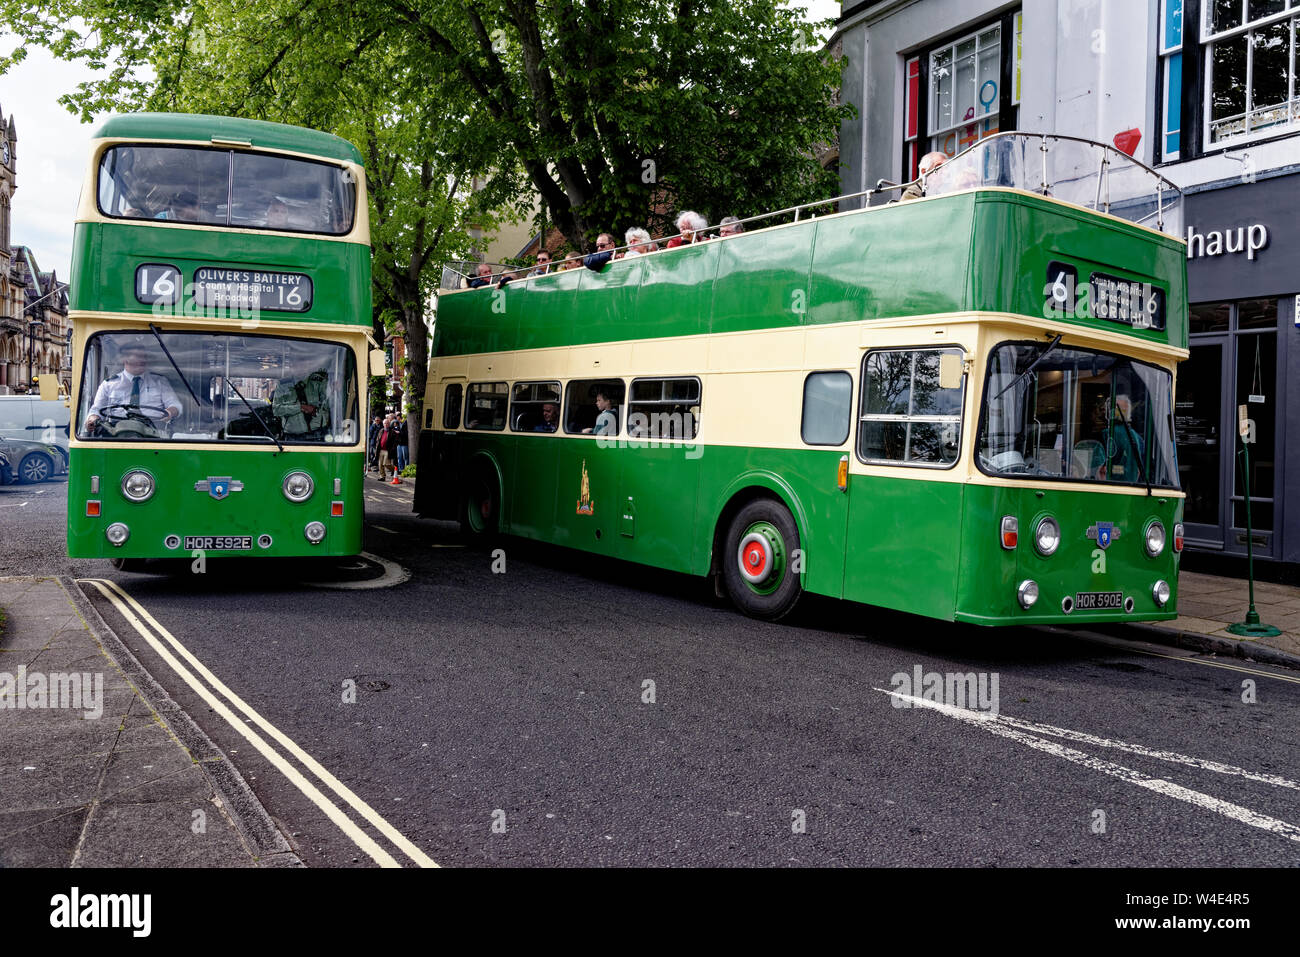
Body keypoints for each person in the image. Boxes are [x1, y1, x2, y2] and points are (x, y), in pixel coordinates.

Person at [84, 345, 182, 434]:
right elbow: (96, 410)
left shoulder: (160, 381)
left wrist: (169, 412)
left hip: (153, 433)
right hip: (116, 435)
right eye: (137, 356)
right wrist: (93, 420)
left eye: (144, 357)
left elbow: (175, 405)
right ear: (125, 360)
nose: (141, 360)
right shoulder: (109, 384)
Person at [271, 365, 330, 440]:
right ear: (292, 365)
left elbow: (329, 404)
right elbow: (276, 410)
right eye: (298, 362)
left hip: (317, 435)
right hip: (292, 437)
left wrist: (335, 390)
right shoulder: (283, 384)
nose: (301, 366)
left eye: (304, 362)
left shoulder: (319, 382)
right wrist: (300, 407)